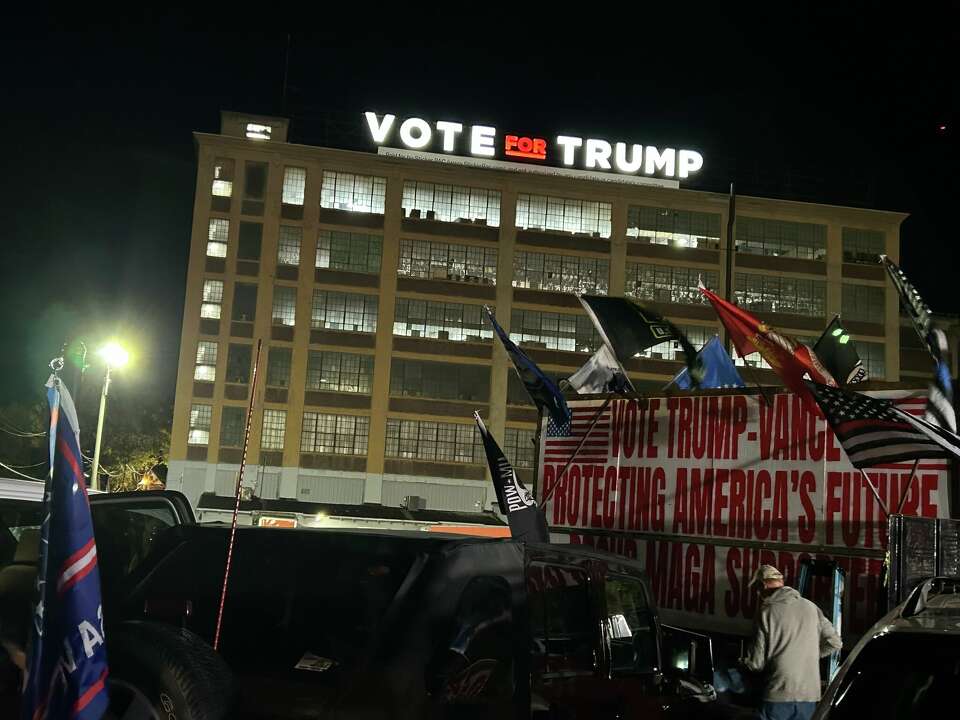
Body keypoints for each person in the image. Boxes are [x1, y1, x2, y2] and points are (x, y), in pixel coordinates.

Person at [741, 564, 842, 720]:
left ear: (762, 585)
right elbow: (835, 643)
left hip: (778, 695)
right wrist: (810, 656)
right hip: (809, 696)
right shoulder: (811, 607)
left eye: (757, 589)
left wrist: (743, 662)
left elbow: (756, 663)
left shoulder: (766, 612)